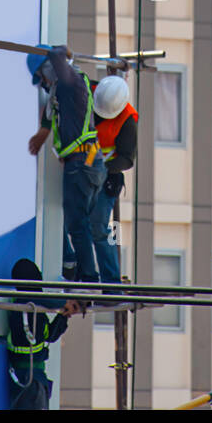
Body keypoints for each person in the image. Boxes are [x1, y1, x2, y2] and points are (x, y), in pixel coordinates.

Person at [26, 45, 106, 282]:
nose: (42, 83)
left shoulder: (71, 81)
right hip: (89, 159)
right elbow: (50, 116)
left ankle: (89, 277)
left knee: (77, 226)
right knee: (84, 225)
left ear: (48, 70)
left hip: (82, 163)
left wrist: (62, 52)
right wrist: (42, 133)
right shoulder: (61, 93)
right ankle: (89, 274)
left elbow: (58, 55)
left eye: (42, 77)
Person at [5, 258, 79, 410]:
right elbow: (32, 296)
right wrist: (62, 302)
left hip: (35, 377)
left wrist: (63, 316)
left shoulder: (36, 309)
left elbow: (49, 336)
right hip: (27, 379)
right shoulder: (23, 303)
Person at [87, 74, 137, 285]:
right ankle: (79, 271)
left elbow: (127, 158)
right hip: (78, 168)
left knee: (98, 228)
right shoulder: (89, 91)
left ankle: (111, 282)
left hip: (105, 177)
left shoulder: (126, 120)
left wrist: (102, 168)